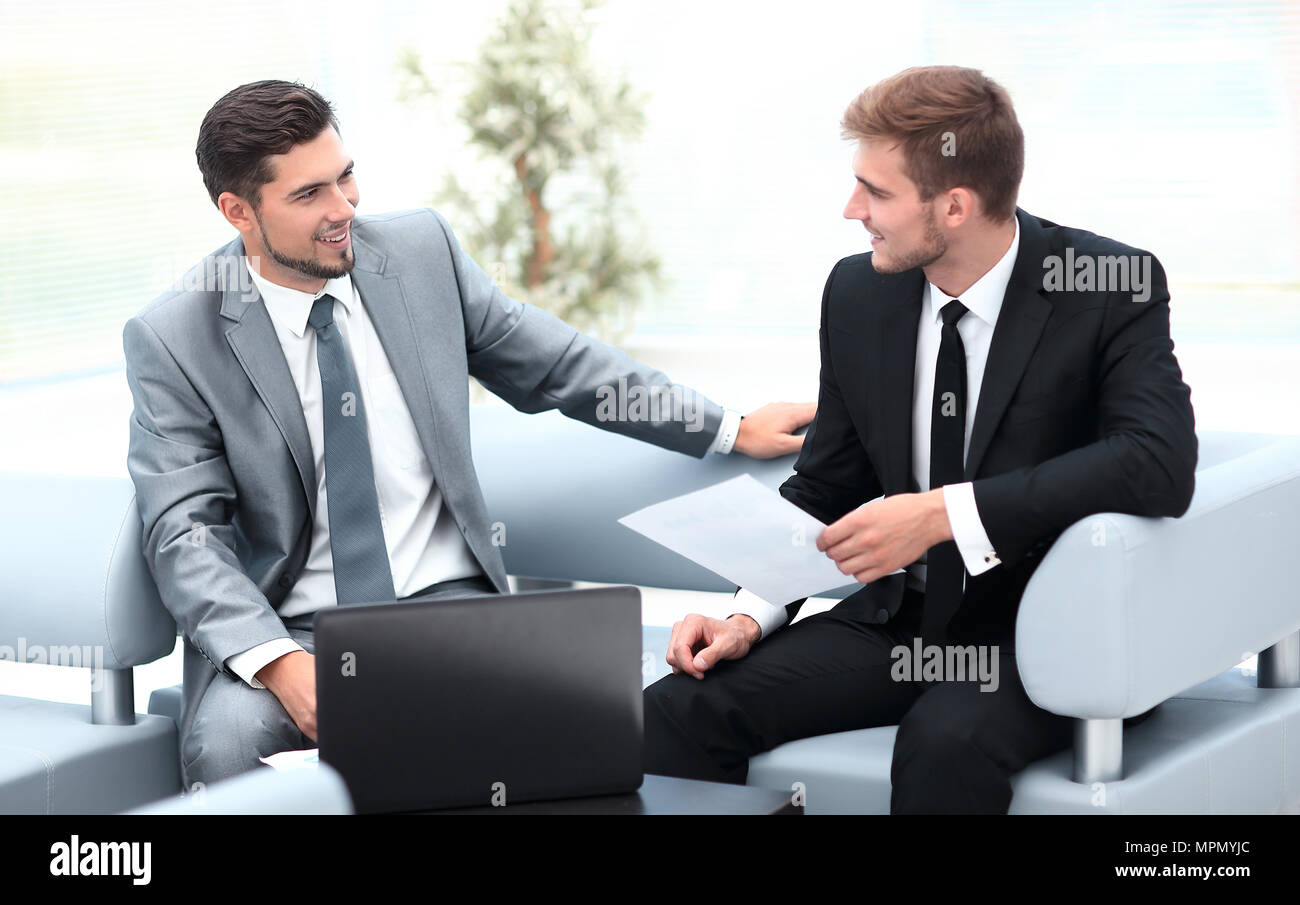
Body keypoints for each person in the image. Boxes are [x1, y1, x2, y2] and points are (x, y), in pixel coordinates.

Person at [123, 79, 814, 787]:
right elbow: (185, 534)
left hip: (445, 608)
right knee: (230, 746)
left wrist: (728, 427)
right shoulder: (176, 335)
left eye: (346, 176)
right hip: (287, 625)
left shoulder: (420, 253)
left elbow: (558, 365)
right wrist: (280, 663)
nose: (343, 209)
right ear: (238, 210)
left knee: (544, 735)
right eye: (308, 196)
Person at [642, 65, 1197, 814]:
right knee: (677, 706)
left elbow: (1156, 463)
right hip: (897, 626)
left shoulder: (1104, 283)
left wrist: (942, 515)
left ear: (956, 205)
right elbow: (825, 483)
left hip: (1041, 640)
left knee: (942, 746)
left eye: (876, 192)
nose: (852, 209)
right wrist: (746, 614)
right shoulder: (858, 292)